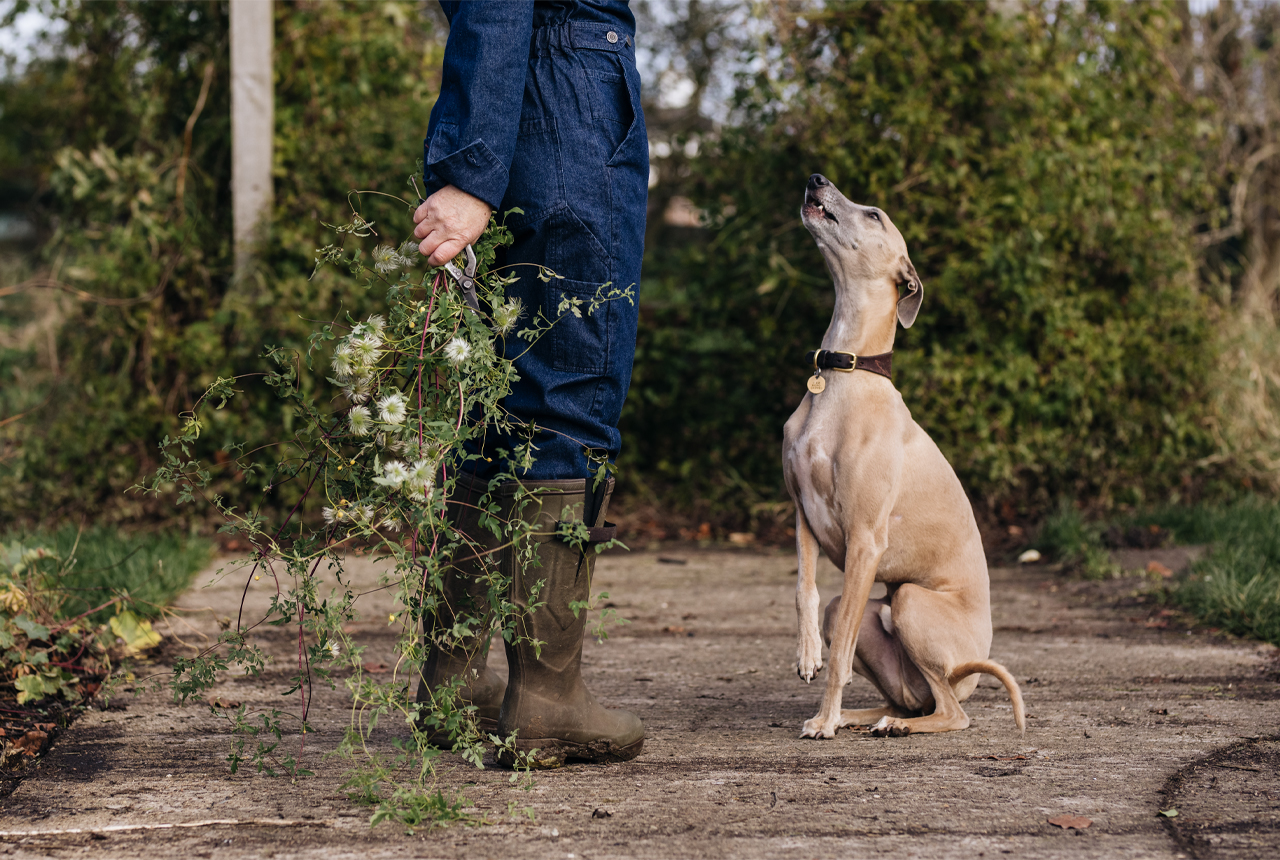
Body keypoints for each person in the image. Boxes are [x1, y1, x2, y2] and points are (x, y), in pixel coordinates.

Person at [411, 1, 648, 768]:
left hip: (540, 87)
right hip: (570, 99)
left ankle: (451, 678)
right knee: (567, 394)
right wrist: (470, 170)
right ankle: (547, 700)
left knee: (501, 410)